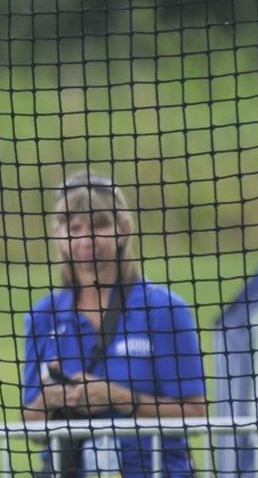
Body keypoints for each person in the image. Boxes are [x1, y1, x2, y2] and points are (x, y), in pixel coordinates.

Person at [20, 171, 207, 478]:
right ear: (58, 234)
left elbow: (197, 416)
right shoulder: (43, 316)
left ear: (123, 229)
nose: (85, 240)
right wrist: (49, 400)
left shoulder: (164, 309)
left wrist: (120, 398)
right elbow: (30, 423)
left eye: (99, 225)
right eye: (74, 227)